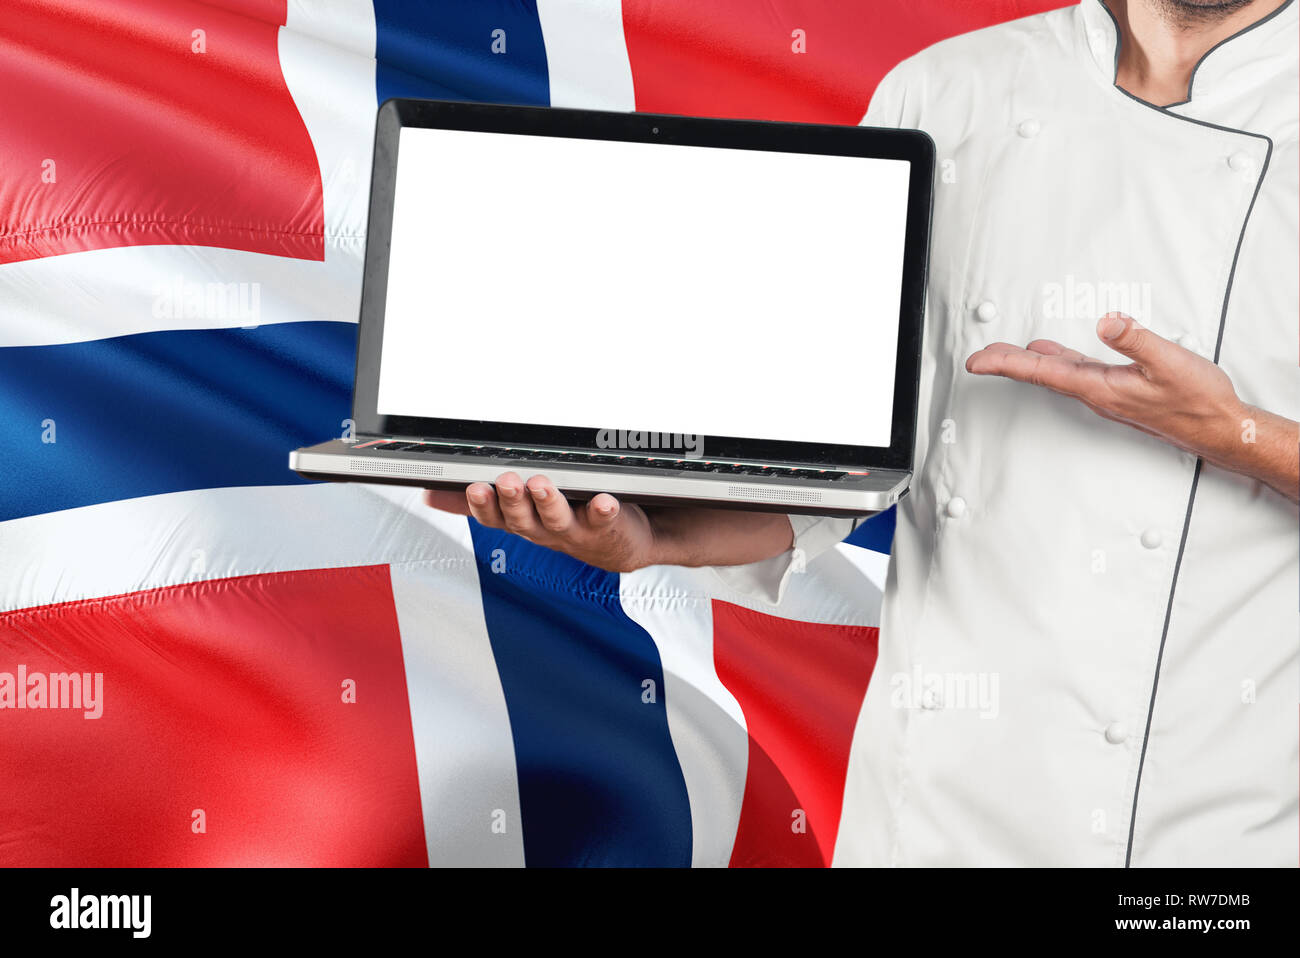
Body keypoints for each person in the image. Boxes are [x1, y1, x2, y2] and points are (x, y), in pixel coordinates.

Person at [427, 0, 1299, 865]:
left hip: (1217, 827)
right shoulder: (947, 92)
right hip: (936, 816)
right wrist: (660, 536)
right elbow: (853, 456)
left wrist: (1238, 435)